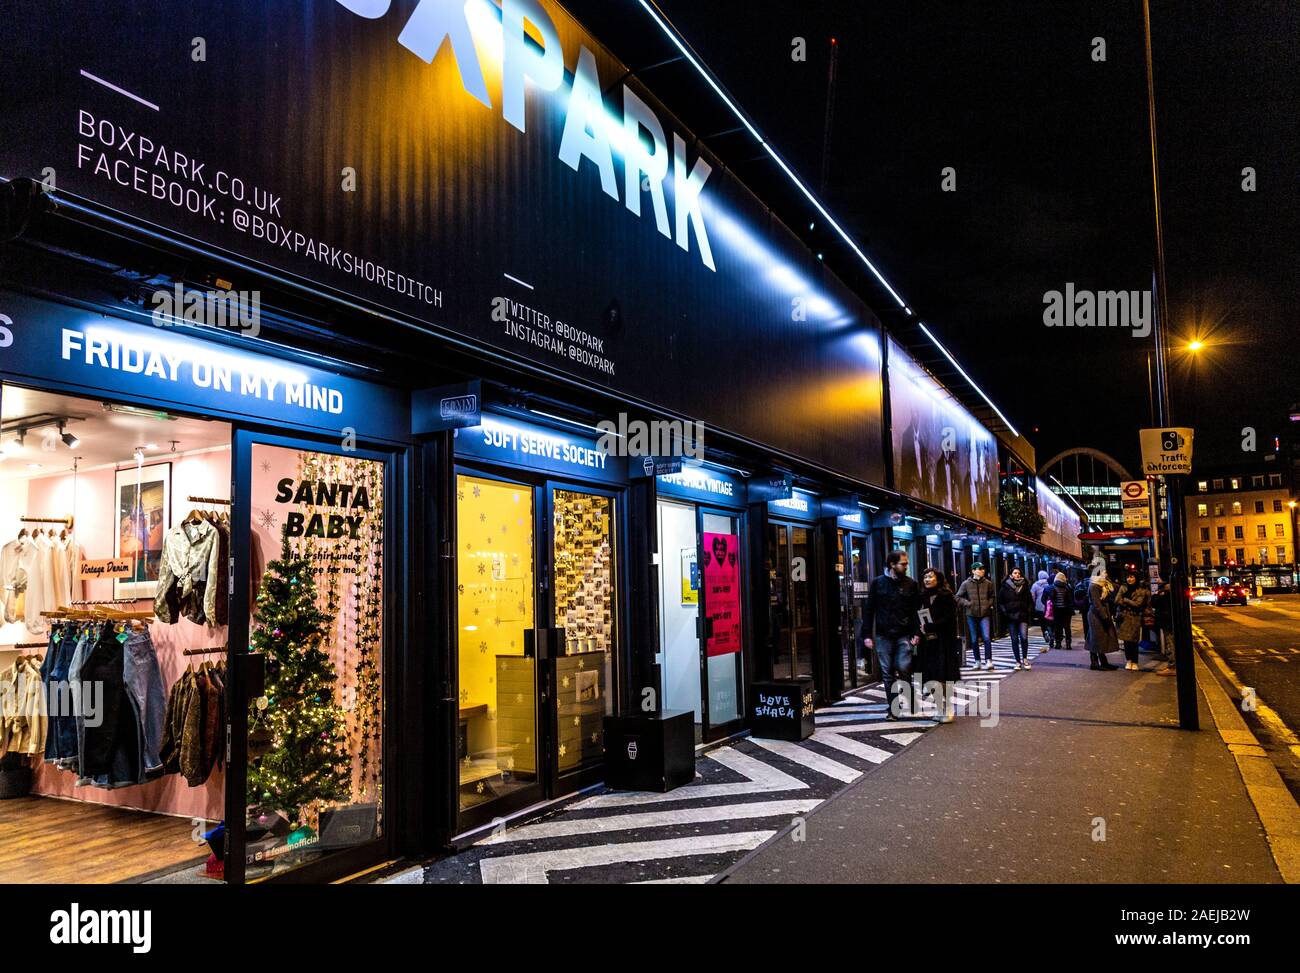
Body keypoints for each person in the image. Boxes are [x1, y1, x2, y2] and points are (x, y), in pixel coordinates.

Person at [863, 549, 921, 719]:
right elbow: (869, 609)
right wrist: (867, 634)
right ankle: (894, 709)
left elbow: (916, 610)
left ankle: (909, 693)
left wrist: (916, 632)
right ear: (892, 565)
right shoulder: (877, 583)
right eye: (903, 564)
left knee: (903, 668)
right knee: (887, 673)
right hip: (883, 635)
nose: (906, 566)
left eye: (906, 563)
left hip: (904, 634)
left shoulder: (911, 584)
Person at [919, 568, 961, 723]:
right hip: (928, 642)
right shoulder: (922, 596)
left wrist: (930, 627)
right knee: (931, 677)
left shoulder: (946, 596)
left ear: (938, 579)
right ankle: (938, 708)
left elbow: (949, 619)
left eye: (930, 576)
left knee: (944, 677)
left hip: (944, 642)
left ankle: (949, 709)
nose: (927, 579)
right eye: (925, 577)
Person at [956, 562, 996, 669]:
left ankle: (988, 661)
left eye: (983, 568)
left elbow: (992, 596)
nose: (982, 570)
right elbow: (957, 597)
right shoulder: (966, 583)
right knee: (974, 638)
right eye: (980, 568)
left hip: (985, 614)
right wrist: (968, 604)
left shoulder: (988, 583)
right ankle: (977, 661)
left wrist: (988, 604)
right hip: (971, 614)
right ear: (973, 571)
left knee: (987, 637)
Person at [998, 567, 1035, 670]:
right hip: (1011, 617)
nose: (1017, 574)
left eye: (1019, 573)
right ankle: (1017, 661)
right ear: (1011, 575)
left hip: (1023, 616)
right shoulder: (1005, 587)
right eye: (1015, 573)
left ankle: (1025, 659)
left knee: (1024, 637)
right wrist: (1006, 612)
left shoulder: (1025, 586)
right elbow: (1000, 602)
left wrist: (1028, 610)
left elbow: (1030, 601)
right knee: (1014, 639)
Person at [1115, 570, 1151, 671]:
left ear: (1136, 578)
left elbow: (1138, 604)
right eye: (1128, 577)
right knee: (1126, 641)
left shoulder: (1141, 590)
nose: (1129, 579)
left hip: (1135, 617)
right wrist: (1128, 602)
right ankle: (1129, 660)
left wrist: (1125, 600)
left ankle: (1135, 661)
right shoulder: (1123, 587)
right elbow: (1117, 600)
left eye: (1131, 577)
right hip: (1124, 617)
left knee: (1134, 640)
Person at [1085, 570, 1120, 670]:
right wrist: (1104, 617)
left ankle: (1103, 661)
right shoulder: (1094, 586)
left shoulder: (1102, 585)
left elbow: (1113, 591)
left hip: (1101, 613)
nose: (1106, 574)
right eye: (1104, 573)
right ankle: (1095, 662)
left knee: (1098, 637)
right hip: (1096, 615)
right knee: (1096, 637)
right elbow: (1097, 603)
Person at [1048, 571, 1075, 649]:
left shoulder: (1053, 587)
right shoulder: (1068, 587)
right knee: (1067, 627)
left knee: (1058, 627)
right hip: (1066, 610)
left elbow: (1051, 598)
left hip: (1057, 610)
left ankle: (1058, 643)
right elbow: (1071, 599)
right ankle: (1068, 643)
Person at [1030, 569, 1054, 651]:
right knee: (1050, 622)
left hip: (1039, 607)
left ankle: (1045, 633)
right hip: (1049, 607)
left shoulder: (1035, 585)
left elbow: (1032, 596)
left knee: (1042, 623)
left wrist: (1034, 605)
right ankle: (1051, 632)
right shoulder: (1050, 584)